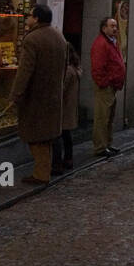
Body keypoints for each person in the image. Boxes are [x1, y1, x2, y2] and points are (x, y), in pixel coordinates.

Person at [10, 4, 67, 186]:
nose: (27, 19)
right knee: (47, 136)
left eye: (29, 16)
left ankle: (41, 173)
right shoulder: (59, 37)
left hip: (36, 97)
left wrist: (16, 95)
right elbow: (64, 69)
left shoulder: (32, 39)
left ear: (36, 18)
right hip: (53, 96)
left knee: (36, 137)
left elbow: (24, 71)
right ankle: (43, 170)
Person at [91, 16, 126, 158]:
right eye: (112, 26)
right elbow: (98, 67)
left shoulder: (112, 42)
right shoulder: (101, 44)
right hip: (106, 86)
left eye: (116, 26)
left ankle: (107, 144)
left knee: (109, 117)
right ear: (104, 28)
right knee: (102, 117)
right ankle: (100, 147)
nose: (115, 28)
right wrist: (105, 83)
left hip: (112, 86)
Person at [51, 44, 81, 175]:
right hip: (69, 107)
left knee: (58, 135)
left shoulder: (68, 71)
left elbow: (61, 89)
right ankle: (68, 159)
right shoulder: (74, 69)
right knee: (66, 134)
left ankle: (57, 164)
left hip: (63, 107)